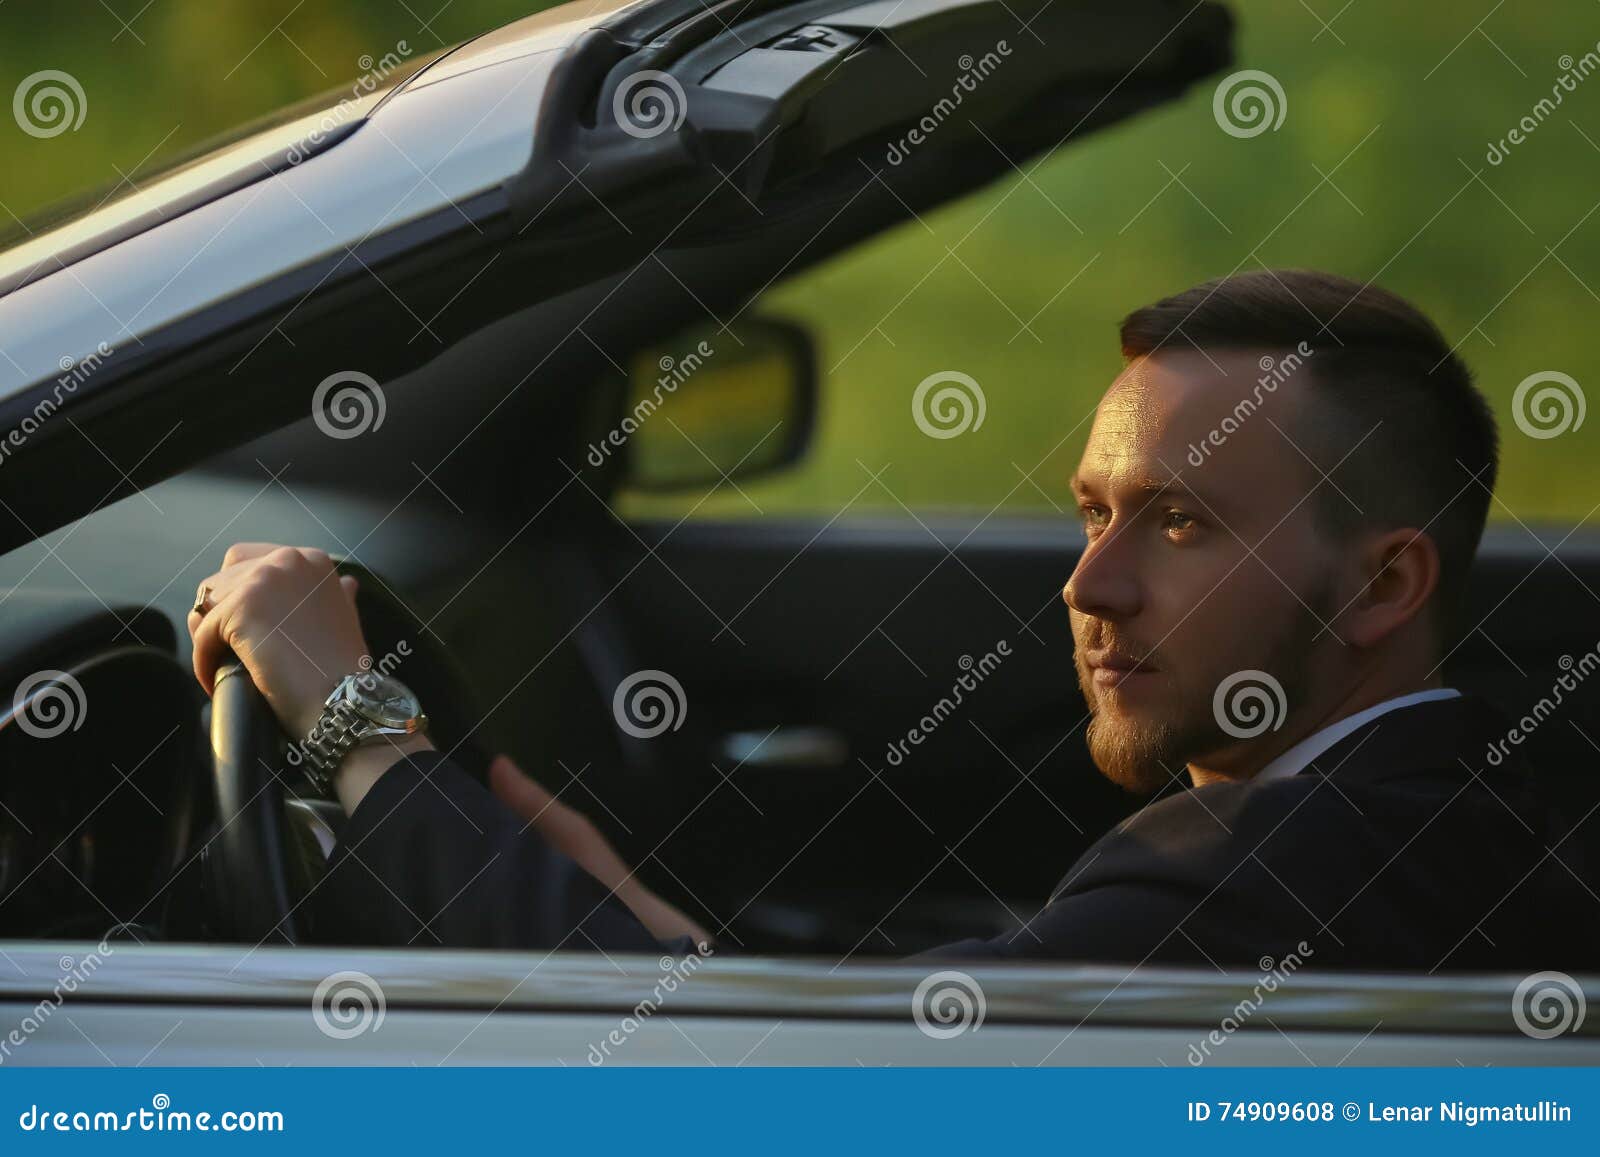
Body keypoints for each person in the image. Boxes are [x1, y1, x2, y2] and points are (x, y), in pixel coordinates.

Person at [185, 269, 1594, 969]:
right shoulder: (1421, 800)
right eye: (1094, 512)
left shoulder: (1297, 861)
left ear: (1384, 584)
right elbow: (815, 1048)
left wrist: (357, 734)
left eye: (1179, 524)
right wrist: (587, 883)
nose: (1088, 586)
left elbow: (781, 1097)